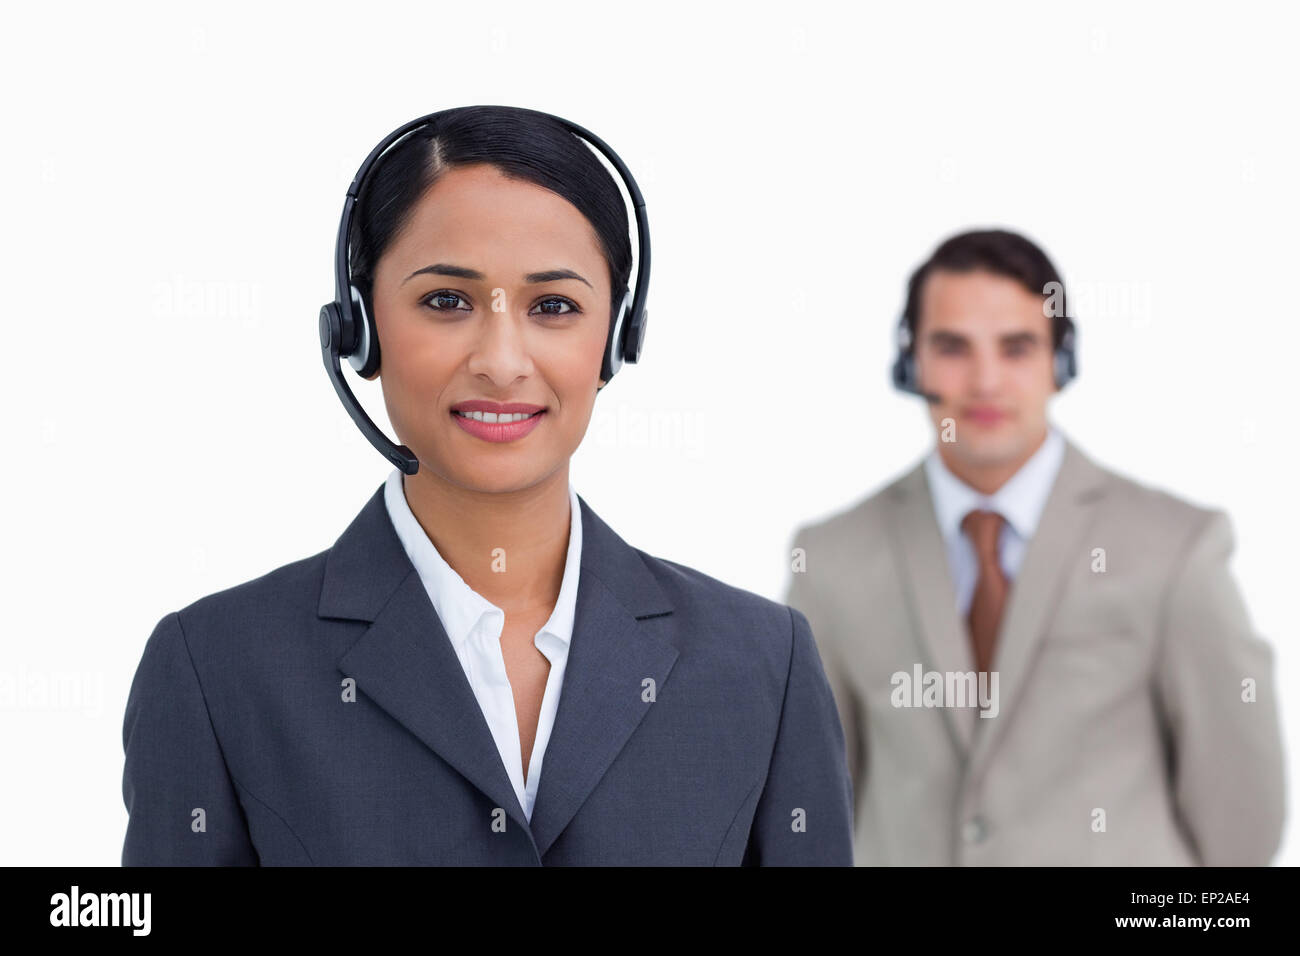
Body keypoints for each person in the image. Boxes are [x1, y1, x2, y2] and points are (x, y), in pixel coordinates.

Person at [121, 105, 853, 866]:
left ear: (617, 339)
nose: (502, 363)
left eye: (554, 306)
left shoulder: (764, 664)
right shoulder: (214, 667)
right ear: (359, 330)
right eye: (447, 301)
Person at [784, 228, 1285, 865]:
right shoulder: (831, 559)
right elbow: (814, 806)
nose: (986, 380)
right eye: (952, 347)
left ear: (1060, 363)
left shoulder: (1176, 549)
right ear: (911, 365)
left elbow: (1242, 820)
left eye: (1017, 347)